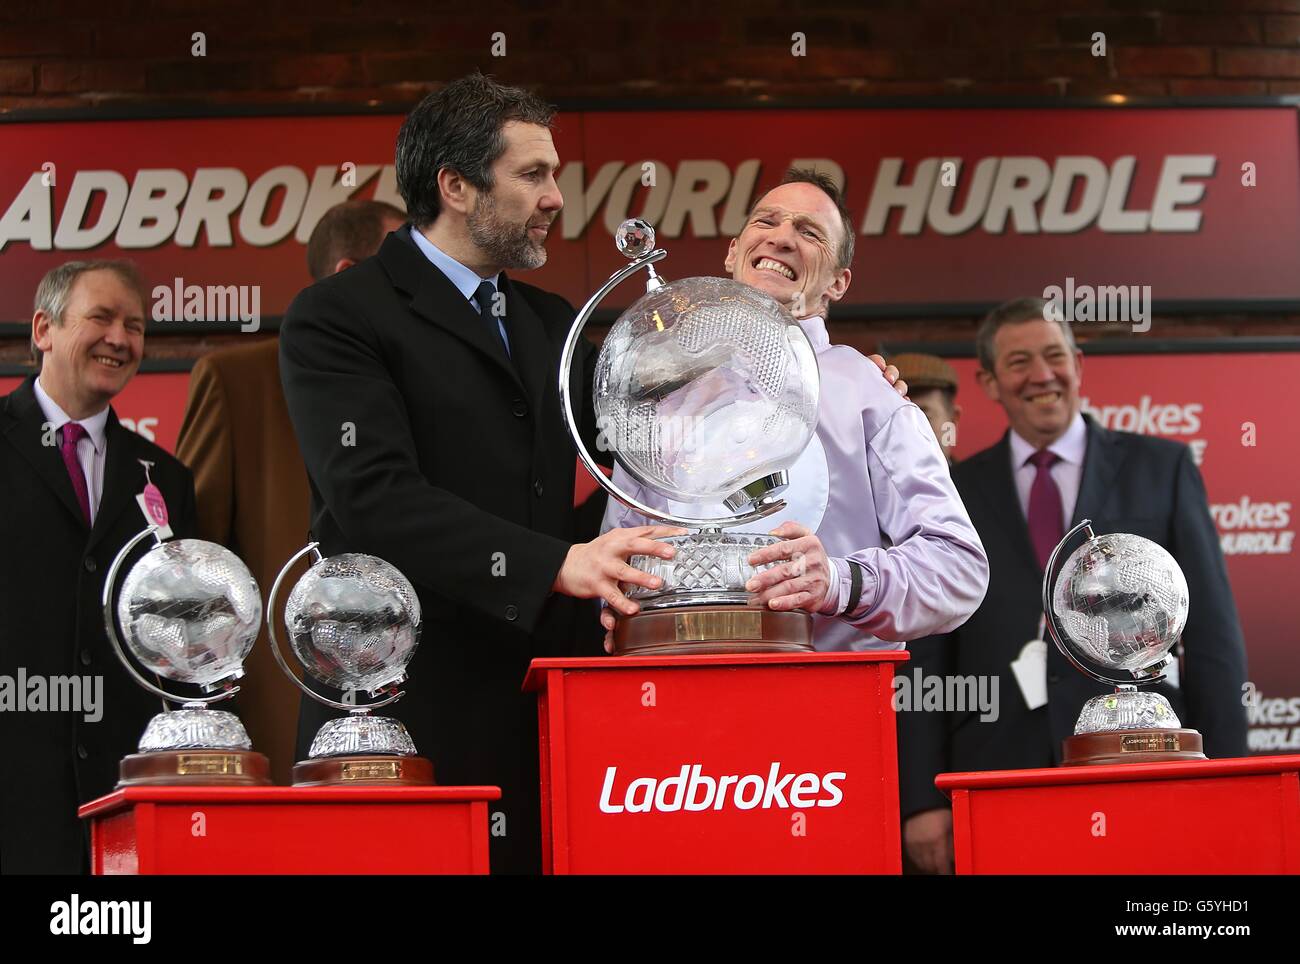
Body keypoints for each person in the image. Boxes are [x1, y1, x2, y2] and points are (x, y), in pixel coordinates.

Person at [278, 73, 679, 875]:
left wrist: (823, 365)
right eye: (532, 174)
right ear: (455, 186)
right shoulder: (339, 315)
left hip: (546, 712)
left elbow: (658, 434)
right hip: (404, 708)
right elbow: (373, 501)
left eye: (554, 174)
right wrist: (557, 563)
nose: (556, 198)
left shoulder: (547, 320)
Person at [897, 297, 1249, 874]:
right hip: (993, 772)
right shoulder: (953, 489)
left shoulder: (1162, 468)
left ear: (1078, 364)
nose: (1041, 375)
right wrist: (921, 799)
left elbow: (1211, 634)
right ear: (988, 380)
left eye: (1054, 356)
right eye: (1018, 362)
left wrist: (1230, 777)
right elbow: (927, 652)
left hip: (1138, 762)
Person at [600, 170, 989, 653]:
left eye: (809, 232)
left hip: (827, 702)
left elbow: (959, 568)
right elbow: (619, 558)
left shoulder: (867, 390)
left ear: (838, 282)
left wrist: (838, 583)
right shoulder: (664, 396)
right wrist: (621, 603)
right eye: (767, 221)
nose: (781, 238)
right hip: (676, 692)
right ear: (732, 250)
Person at [175, 199, 405, 785]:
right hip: (282, 709)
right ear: (350, 277)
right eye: (406, 266)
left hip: (413, 705)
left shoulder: (425, 384)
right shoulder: (237, 382)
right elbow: (194, 571)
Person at [0, 261, 198, 874]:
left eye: (134, 326)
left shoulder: (166, 477)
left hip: (124, 792)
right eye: (101, 318)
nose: (120, 338)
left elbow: (187, 639)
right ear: (43, 330)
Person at [890, 353, 961, 465]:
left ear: (953, 421)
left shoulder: (979, 481)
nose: (909, 432)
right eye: (894, 420)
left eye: (922, 418)